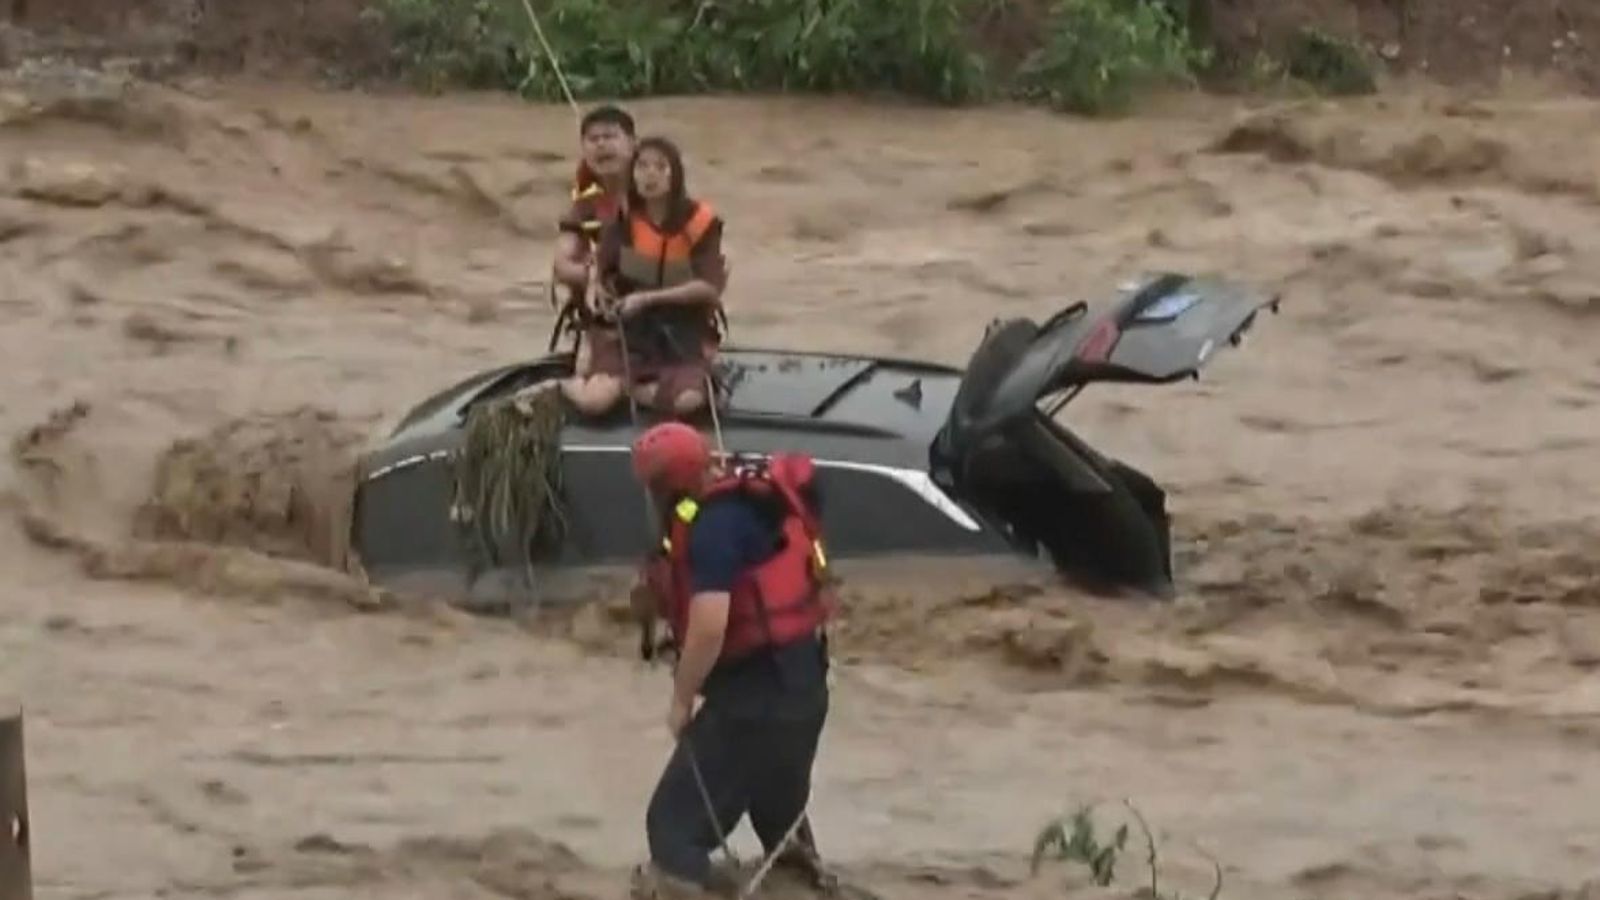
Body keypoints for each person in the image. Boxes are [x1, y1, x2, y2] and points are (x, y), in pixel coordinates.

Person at [627, 422, 835, 898]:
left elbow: (709, 626)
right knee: (780, 828)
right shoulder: (755, 495)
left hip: (754, 703)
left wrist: (681, 700)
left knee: (673, 829)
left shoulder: (713, 527)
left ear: (665, 489)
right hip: (805, 690)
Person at [593, 136, 729, 418]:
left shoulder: (700, 223)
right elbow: (602, 271)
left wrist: (647, 299)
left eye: (660, 167)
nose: (650, 174)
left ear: (674, 175)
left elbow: (708, 288)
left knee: (688, 401)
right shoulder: (622, 220)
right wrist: (599, 293)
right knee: (593, 401)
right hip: (630, 333)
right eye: (642, 166)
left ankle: (632, 390)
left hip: (683, 334)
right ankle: (576, 386)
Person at [548, 104, 638, 415]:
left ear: (632, 143)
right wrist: (593, 275)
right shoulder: (585, 206)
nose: (601, 145)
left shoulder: (657, 194)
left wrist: (615, 269)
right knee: (592, 396)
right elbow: (561, 265)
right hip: (608, 323)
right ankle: (560, 386)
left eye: (609, 136)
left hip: (658, 318)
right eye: (592, 139)